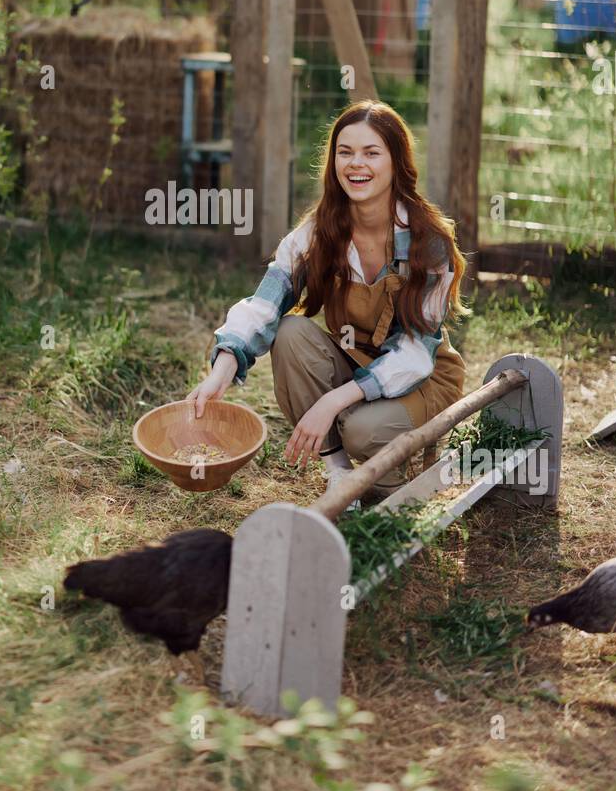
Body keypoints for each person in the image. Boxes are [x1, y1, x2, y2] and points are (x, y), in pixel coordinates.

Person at [187, 100, 469, 507]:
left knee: (362, 429)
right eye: (345, 152)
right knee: (289, 333)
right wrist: (224, 366)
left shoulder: (429, 243)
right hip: (358, 362)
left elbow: (413, 353)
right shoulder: (319, 232)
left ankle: (401, 479)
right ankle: (339, 475)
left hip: (421, 378)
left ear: (396, 163)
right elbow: (265, 302)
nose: (357, 164)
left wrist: (332, 400)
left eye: (372, 153)